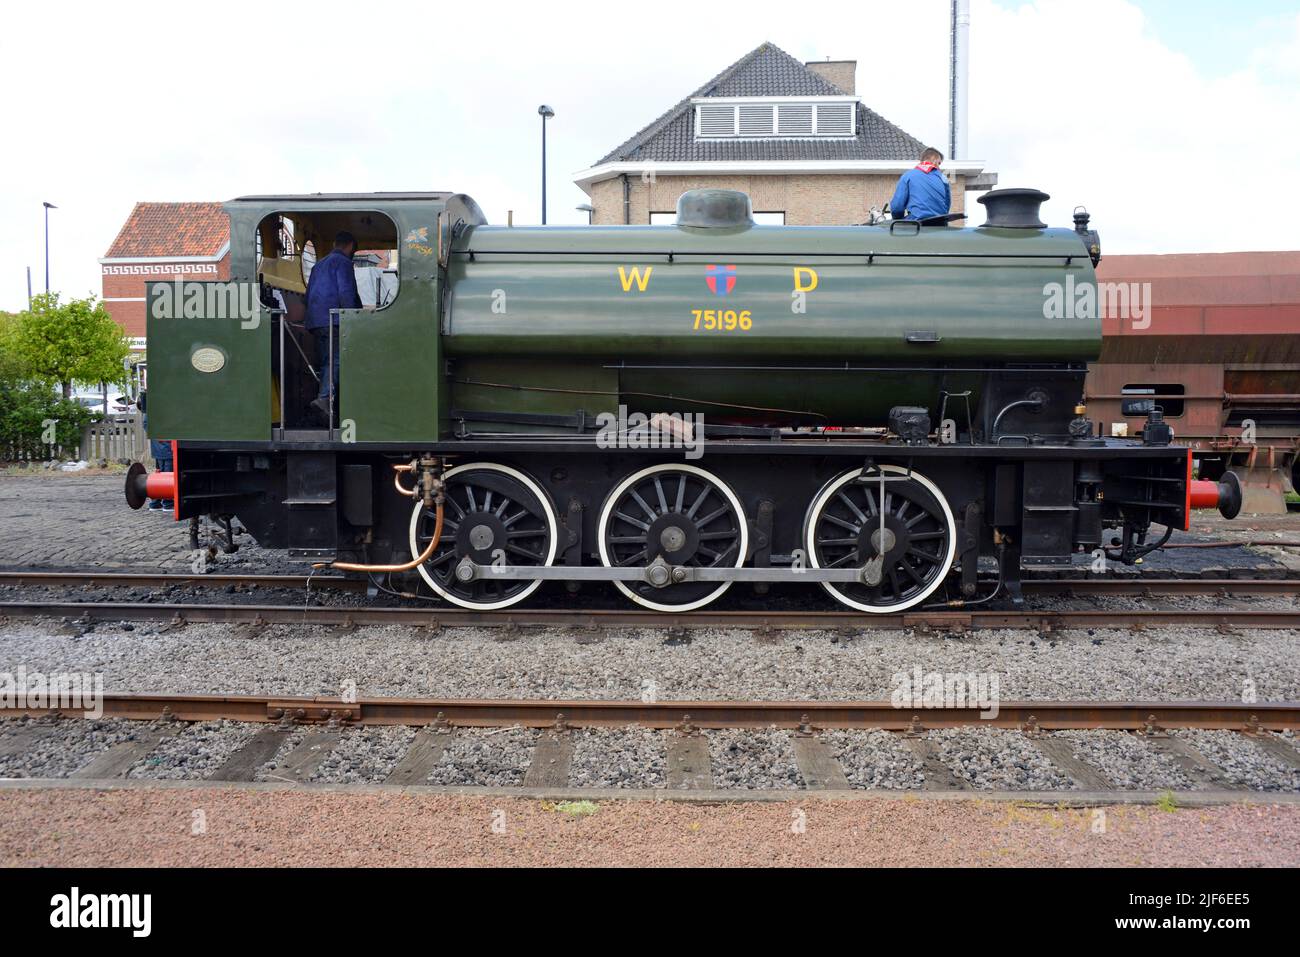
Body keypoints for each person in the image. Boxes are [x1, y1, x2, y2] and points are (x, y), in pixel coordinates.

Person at [304, 231, 361, 425]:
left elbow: (307, 295)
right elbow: (346, 292)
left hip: (315, 321)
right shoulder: (343, 263)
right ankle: (325, 398)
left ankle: (327, 401)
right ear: (351, 246)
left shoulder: (318, 265)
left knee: (326, 361)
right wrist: (354, 317)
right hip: (334, 320)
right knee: (336, 360)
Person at [888, 148, 952, 222]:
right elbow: (946, 206)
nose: (939, 167)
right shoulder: (943, 178)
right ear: (934, 160)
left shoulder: (908, 175)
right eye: (939, 163)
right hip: (940, 223)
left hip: (916, 223)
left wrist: (898, 221)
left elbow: (897, 207)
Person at [137, 390, 174, 511]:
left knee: (160, 473)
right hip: (166, 447)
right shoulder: (157, 413)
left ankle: (156, 501)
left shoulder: (150, 414)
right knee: (166, 475)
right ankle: (167, 502)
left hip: (159, 448)